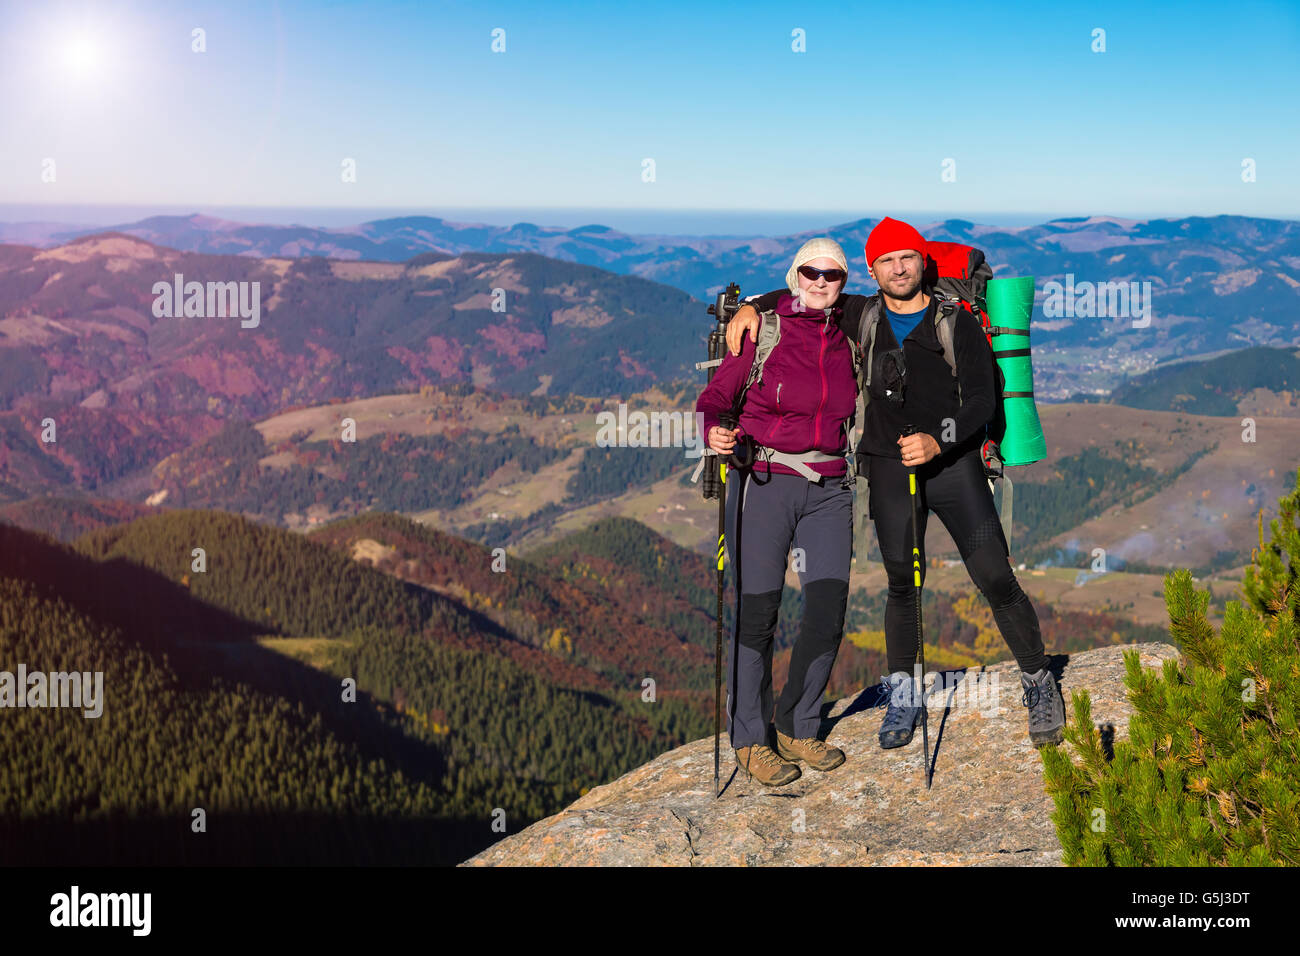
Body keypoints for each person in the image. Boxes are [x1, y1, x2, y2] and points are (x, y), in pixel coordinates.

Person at [725, 217, 1066, 749]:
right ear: (872, 270)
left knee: (995, 575)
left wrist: (939, 439)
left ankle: (1038, 678)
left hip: (954, 469)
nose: (899, 267)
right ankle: (904, 695)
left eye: (907, 257)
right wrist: (753, 307)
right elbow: (805, 292)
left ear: (923, 261)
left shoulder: (957, 322)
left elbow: (982, 401)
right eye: (887, 260)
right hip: (886, 468)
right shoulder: (861, 313)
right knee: (903, 585)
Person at [696, 238, 858, 786]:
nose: (820, 281)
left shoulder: (852, 333)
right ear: (795, 276)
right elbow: (717, 397)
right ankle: (749, 738)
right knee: (758, 611)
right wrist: (714, 430)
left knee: (827, 608)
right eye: (810, 271)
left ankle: (798, 723)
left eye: (832, 275)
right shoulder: (763, 330)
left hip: (831, 486)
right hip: (762, 479)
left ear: (843, 283)